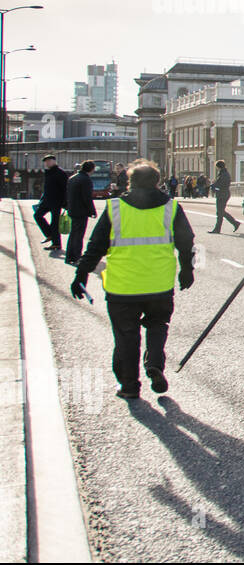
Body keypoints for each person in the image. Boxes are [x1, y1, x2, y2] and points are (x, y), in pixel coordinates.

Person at [70, 159, 196, 400]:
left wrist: (81, 274)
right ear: (158, 182)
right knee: (158, 325)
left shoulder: (115, 208)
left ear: (130, 181)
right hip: (159, 284)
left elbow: (95, 247)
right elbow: (186, 241)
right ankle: (155, 363)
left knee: (126, 336)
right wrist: (187, 269)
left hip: (122, 286)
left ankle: (129, 385)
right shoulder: (171, 207)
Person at [64, 160, 97, 265]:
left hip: (72, 209)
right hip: (81, 211)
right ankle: (77, 257)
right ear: (91, 169)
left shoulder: (72, 178)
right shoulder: (86, 180)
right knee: (79, 235)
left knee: (73, 234)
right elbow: (87, 198)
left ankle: (69, 256)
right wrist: (92, 211)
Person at [34, 155, 68, 256]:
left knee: (55, 223)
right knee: (37, 215)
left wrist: (65, 202)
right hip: (47, 200)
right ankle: (49, 235)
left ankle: (56, 244)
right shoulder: (48, 173)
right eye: (46, 162)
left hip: (56, 201)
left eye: (49, 161)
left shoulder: (60, 173)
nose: (47, 163)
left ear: (54, 161)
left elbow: (65, 188)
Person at [208, 160, 240, 234]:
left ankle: (218, 229)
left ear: (219, 167)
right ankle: (235, 223)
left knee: (220, 212)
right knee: (221, 212)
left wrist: (213, 187)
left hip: (223, 194)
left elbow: (221, 185)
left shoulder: (224, 174)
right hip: (223, 194)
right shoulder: (223, 173)